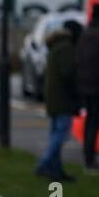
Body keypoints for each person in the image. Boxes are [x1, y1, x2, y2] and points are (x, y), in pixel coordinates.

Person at [36, 20, 81, 182]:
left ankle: (56, 170)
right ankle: (44, 164)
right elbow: (68, 73)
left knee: (56, 133)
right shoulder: (66, 48)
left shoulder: (56, 46)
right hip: (63, 100)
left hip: (55, 98)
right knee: (60, 135)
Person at [74, 4, 99, 171]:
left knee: (90, 122)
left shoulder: (85, 34)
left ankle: (88, 154)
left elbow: (78, 57)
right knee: (96, 122)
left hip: (85, 85)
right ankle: (90, 158)